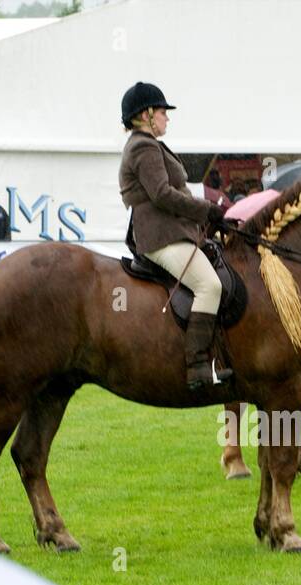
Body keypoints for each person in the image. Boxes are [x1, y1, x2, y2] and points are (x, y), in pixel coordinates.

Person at [118, 81, 231, 390]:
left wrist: (206, 218)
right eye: (162, 112)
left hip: (173, 231)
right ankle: (197, 366)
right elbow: (162, 194)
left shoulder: (149, 144)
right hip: (161, 237)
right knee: (209, 286)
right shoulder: (143, 147)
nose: (167, 117)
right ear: (146, 115)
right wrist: (206, 210)